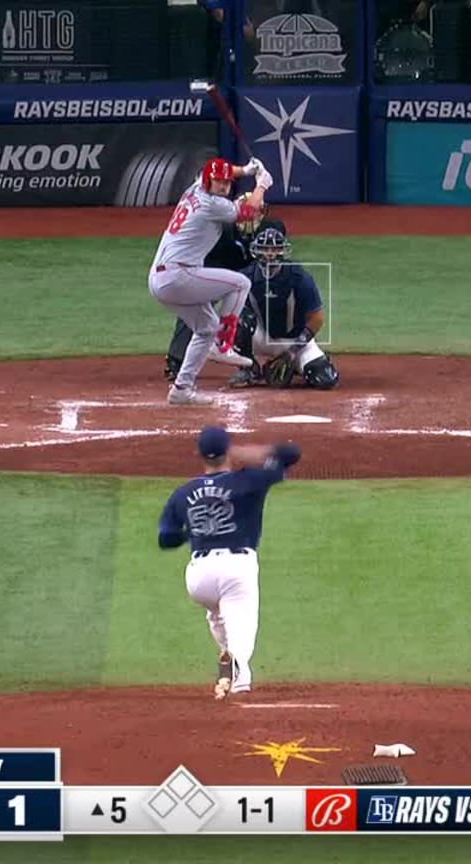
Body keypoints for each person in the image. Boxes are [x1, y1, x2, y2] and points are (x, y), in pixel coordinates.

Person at [159, 425, 302, 701]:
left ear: (199, 455)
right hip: (235, 569)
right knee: (242, 627)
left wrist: (196, 532)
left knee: (218, 615)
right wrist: (248, 454)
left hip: (199, 577)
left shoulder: (182, 493)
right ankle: (237, 677)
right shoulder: (248, 480)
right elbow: (291, 453)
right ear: (228, 451)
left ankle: (227, 657)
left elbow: (166, 539)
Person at [149, 156, 273, 406]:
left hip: (161, 278)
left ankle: (182, 389)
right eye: (219, 181)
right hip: (178, 275)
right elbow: (249, 212)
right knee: (240, 283)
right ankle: (223, 343)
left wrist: (246, 170)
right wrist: (262, 184)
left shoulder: (194, 189)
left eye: (227, 181)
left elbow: (223, 171)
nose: (224, 185)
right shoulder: (213, 205)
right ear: (208, 180)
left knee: (206, 327)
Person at [162, 204, 278, 383]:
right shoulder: (222, 228)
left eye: (259, 212)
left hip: (251, 274)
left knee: (245, 313)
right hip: (215, 270)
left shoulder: (269, 229)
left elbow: (274, 255)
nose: (255, 215)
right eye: (251, 210)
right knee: (196, 307)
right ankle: (176, 360)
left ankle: (248, 364)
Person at [227, 225, 341, 391]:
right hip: (261, 338)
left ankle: (296, 366)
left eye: (275, 249)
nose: (270, 254)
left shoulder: (299, 278)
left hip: (294, 340)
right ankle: (249, 368)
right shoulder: (245, 277)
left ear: (283, 251)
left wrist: (292, 351)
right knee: (238, 317)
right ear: (256, 251)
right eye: (265, 249)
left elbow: (317, 318)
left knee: (326, 380)